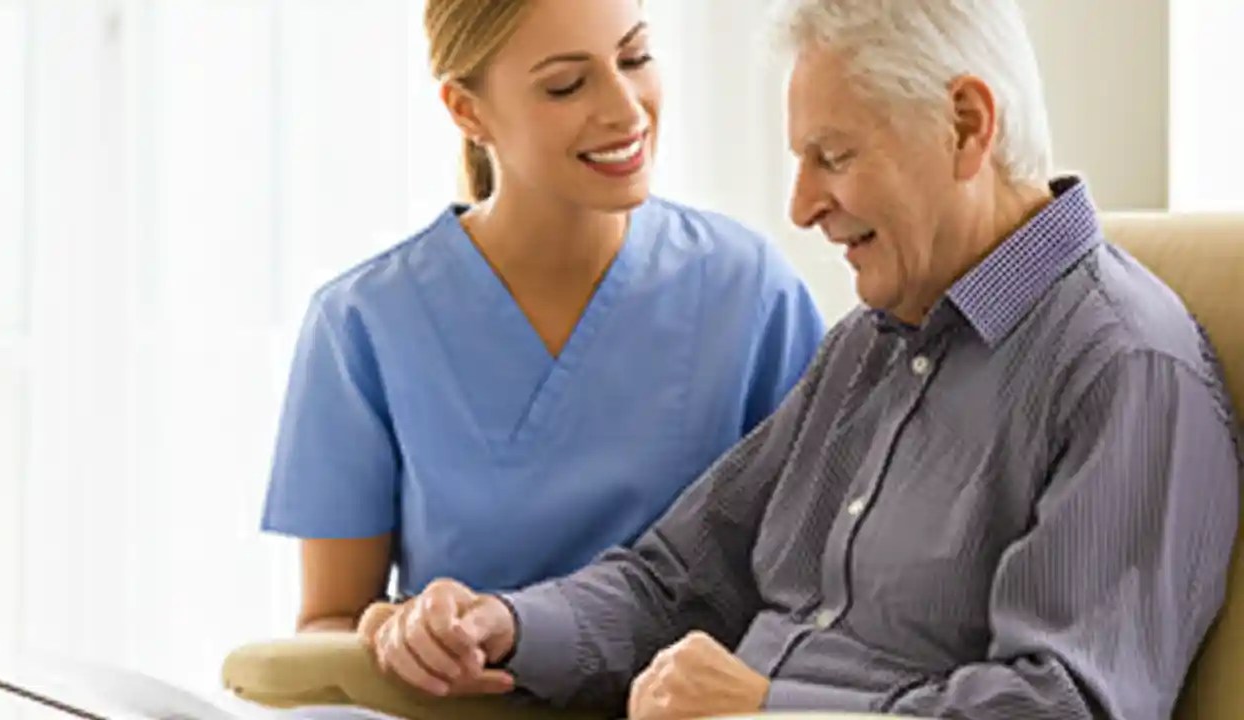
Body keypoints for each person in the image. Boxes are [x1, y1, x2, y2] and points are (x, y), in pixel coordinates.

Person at [372, 0, 1243, 718]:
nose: (800, 206)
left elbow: (1063, 707)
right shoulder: (872, 344)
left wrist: (768, 709)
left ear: (967, 125)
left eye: (834, 157)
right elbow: (676, 583)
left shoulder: (1125, 369)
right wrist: (506, 624)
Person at [258, 0, 826, 645]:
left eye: (634, 59)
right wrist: (394, 636)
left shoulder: (746, 291)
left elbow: (814, 590)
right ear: (467, 111)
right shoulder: (362, 324)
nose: (626, 109)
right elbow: (328, 624)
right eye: (567, 84)